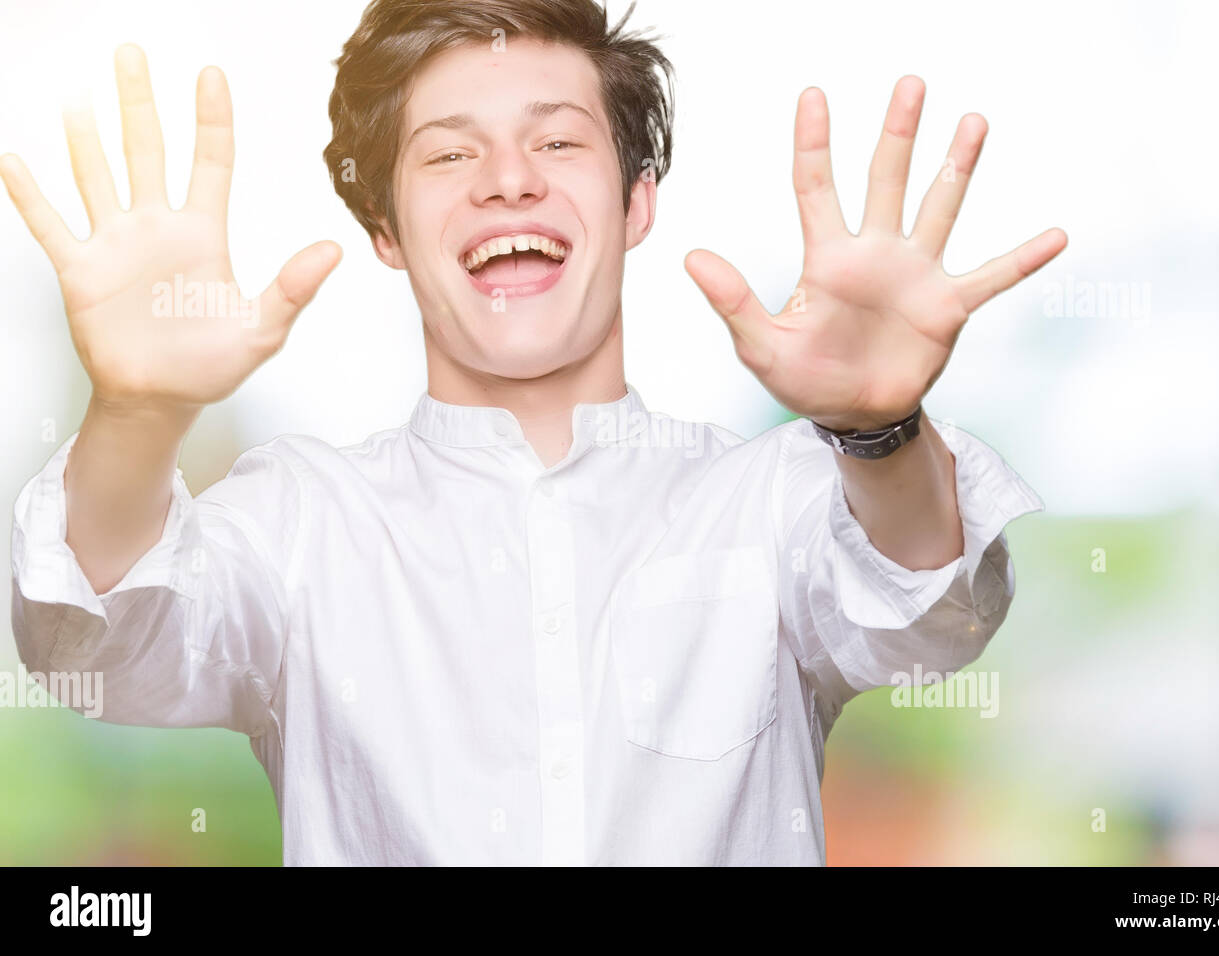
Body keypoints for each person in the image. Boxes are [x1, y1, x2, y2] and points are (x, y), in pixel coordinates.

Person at [3, 0, 1064, 865]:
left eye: (557, 139)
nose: (509, 178)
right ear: (385, 229)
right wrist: (138, 413)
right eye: (448, 155)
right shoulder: (302, 519)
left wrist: (877, 426)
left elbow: (933, 617)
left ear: (636, 199)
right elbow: (94, 641)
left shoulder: (770, 499)